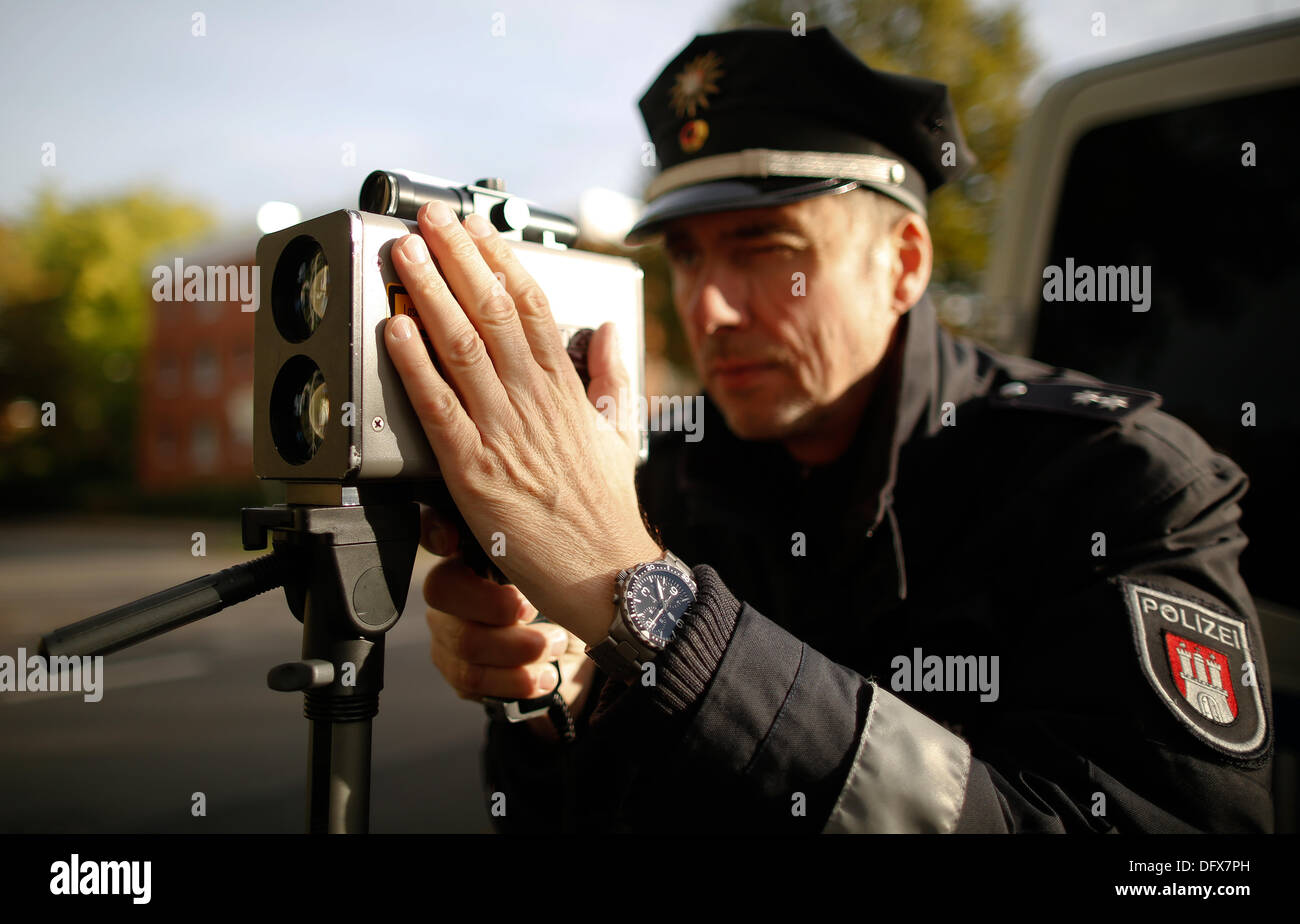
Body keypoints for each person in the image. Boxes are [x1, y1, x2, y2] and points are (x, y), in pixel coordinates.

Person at [382, 26, 1273, 832]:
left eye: (766, 249)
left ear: (905, 263)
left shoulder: (1122, 483)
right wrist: (556, 701)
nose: (710, 307)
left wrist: (646, 604)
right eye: (687, 253)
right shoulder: (661, 472)